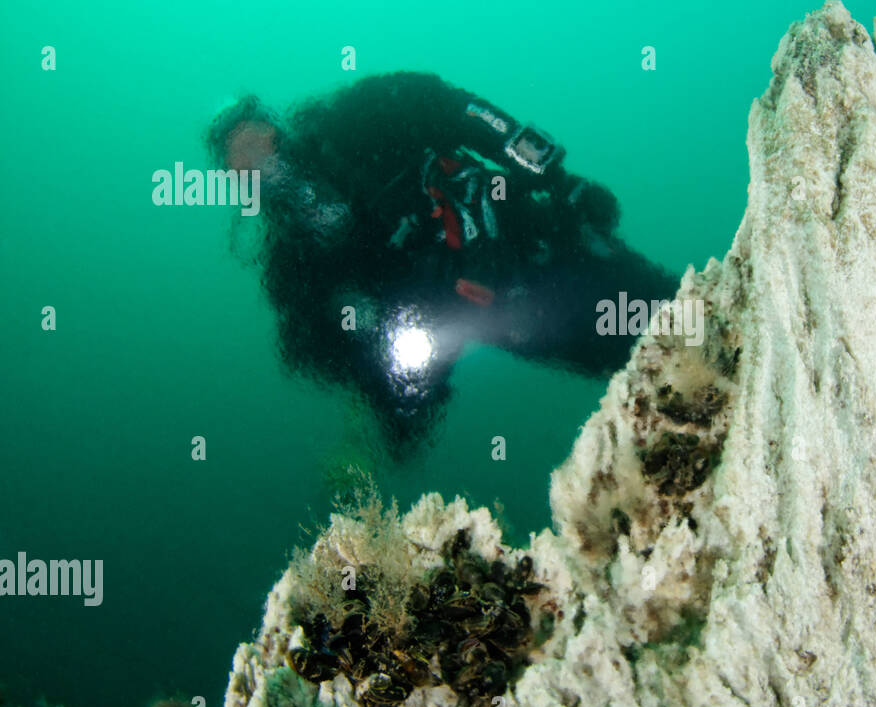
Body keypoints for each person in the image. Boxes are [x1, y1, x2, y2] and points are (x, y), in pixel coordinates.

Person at [206, 72, 679, 454]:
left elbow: (457, 110)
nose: (261, 164)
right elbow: (309, 351)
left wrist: (556, 177)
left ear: (277, 128)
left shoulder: (360, 118)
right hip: (504, 316)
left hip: (533, 234)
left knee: (673, 317)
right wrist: (391, 371)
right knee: (638, 375)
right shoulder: (294, 263)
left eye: (258, 142)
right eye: (241, 165)